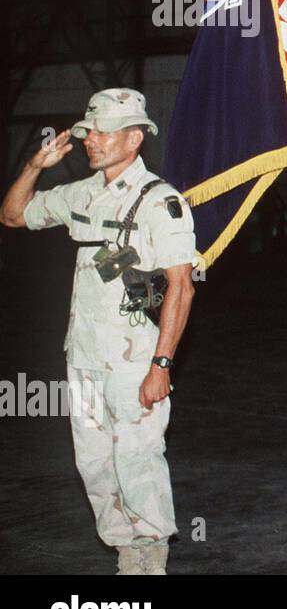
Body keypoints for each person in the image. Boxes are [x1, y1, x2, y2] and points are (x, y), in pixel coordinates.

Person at [1, 89, 196, 575]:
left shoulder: (161, 200)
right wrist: (35, 165)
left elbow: (181, 288)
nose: (93, 141)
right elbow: (12, 215)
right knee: (93, 461)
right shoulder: (83, 193)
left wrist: (162, 364)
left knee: (138, 457)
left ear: (135, 138)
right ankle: (125, 551)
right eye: (90, 131)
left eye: (106, 131)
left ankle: (151, 554)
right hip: (84, 353)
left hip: (134, 359)